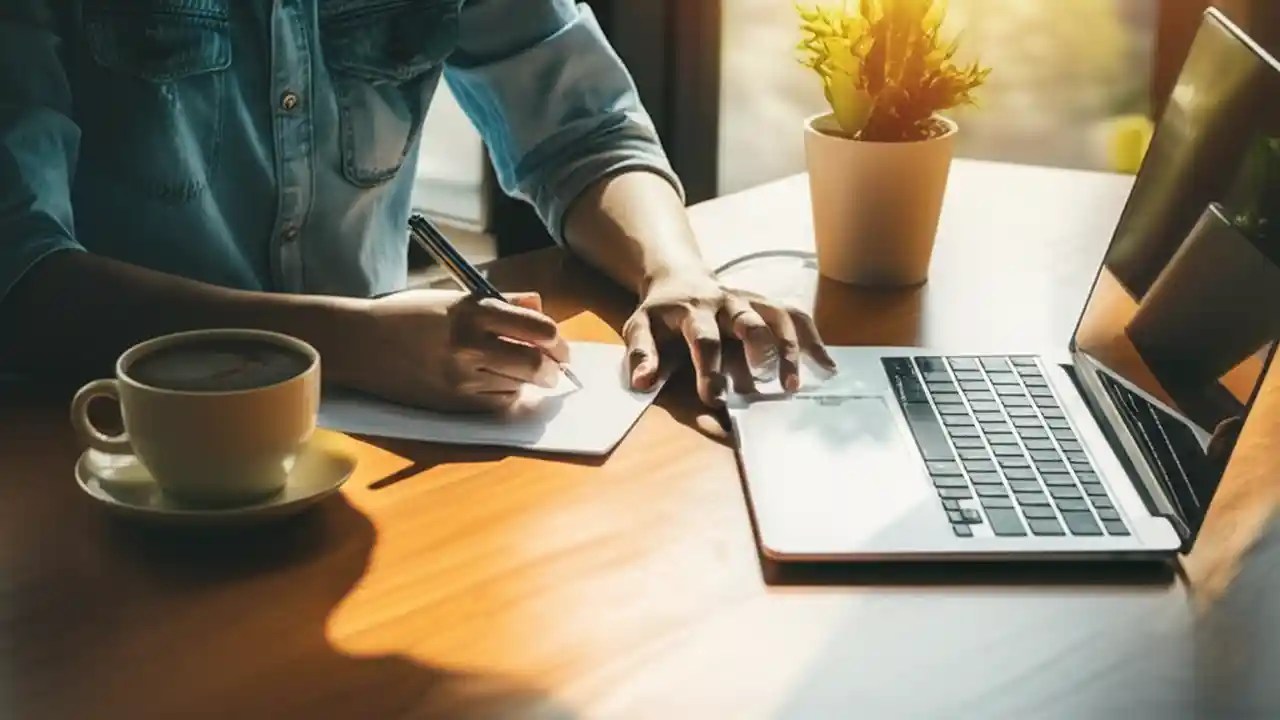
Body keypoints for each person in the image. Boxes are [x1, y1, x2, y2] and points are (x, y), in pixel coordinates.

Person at [0, 0, 834, 411]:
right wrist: (355, 345)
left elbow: (583, 133)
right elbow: (21, 277)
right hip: (96, 445)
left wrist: (675, 270)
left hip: (378, 436)